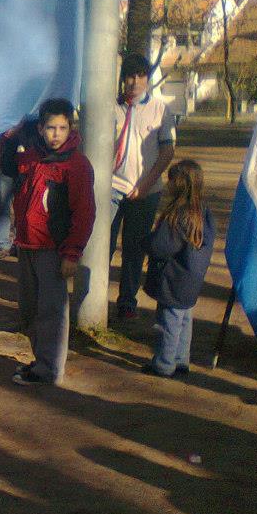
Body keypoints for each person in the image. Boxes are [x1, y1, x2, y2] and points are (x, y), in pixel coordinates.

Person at [8, 99, 94, 385]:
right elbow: (8, 165)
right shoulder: (33, 157)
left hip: (53, 250)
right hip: (27, 245)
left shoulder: (77, 165)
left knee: (52, 311)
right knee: (30, 309)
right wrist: (11, 134)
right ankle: (42, 360)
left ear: (71, 128)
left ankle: (50, 370)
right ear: (40, 128)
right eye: (50, 128)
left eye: (62, 128)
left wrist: (72, 253)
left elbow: (84, 213)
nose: (56, 134)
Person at [111, 54, 176, 319]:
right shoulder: (110, 107)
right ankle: (91, 298)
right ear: (123, 78)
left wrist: (146, 183)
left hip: (146, 190)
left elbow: (167, 151)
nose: (134, 81)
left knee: (134, 248)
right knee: (102, 244)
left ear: (147, 79)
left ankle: (127, 301)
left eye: (140, 76)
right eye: (129, 75)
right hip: (112, 186)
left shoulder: (161, 110)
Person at [141, 160, 215, 377]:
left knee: (168, 323)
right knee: (184, 320)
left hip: (173, 278)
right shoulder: (202, 212)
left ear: (179, 184)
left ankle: (164, 364)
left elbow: (162, 246)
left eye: (171, 180)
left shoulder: (178, 214)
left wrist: (145, 242)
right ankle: (181, 360)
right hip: (192, 277)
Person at [0, 126, 21, 258]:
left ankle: (21, 243)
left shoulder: (29, 116)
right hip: (3, 162)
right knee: (3, 204)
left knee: (25, 205)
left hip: (27, 164)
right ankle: (2, 243)